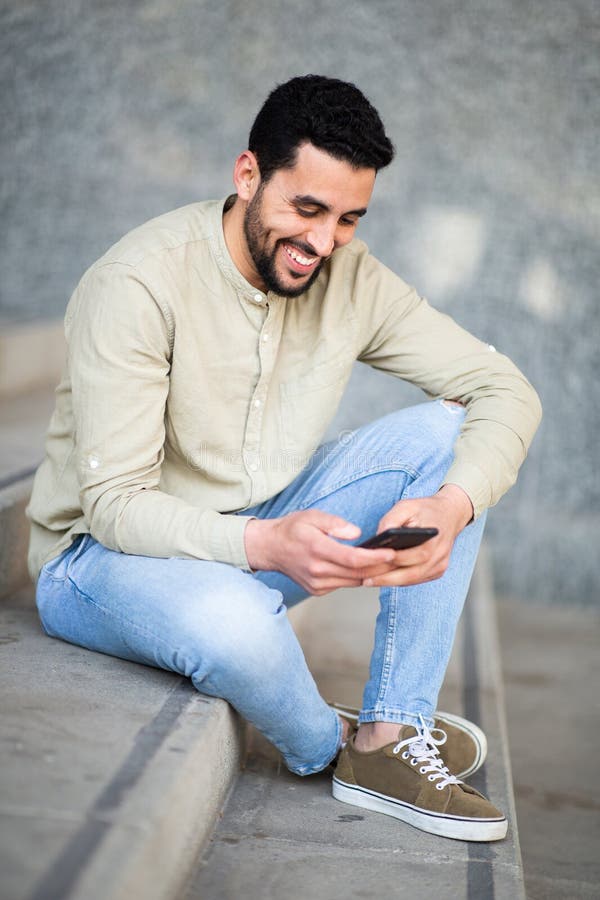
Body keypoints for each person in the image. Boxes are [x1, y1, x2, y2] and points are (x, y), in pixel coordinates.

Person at [27, 74, 541, 843]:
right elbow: (116, 505)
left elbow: (503, 387)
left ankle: (394, 733)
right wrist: (265, 543)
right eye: (307, 209)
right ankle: (338, 746)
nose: (324, 242)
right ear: (247, 175)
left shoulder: (349, 274)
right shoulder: (136, 282)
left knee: (450, 436)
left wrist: (451, 506)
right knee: (234, 622)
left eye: (348, 219)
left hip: (254, 524)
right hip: (100, 559)